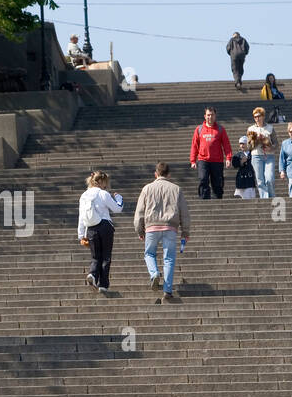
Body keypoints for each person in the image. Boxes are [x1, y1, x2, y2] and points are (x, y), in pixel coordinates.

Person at [133, 162, 190, 305]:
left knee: (149, 253)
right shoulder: (176, 189)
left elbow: (139, 212)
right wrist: (185, 231)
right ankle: (167, 290)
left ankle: (154, 273)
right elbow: (184, 213)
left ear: (156, 174)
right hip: (170, 227)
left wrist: (140, 229)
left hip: (151, 227)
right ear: (169, 175)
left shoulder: (147, 189)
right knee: (169, 258)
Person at [78, 170, 124, 293]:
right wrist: (119, 198)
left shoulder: (84, 196)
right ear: (101, 182)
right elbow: (117, 208)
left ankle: (92, 274)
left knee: (95, 256)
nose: (106, 185)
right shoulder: (103, 194)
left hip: (91, 228)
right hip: (105, 226)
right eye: (105, 183)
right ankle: (103, 284)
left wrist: (81, 235)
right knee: (106, 257)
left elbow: (81, 217)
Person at [189, 106, 232, 199]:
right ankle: (204, 200)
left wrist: (228, 158)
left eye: (212, 115)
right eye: (208, 115)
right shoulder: (199, 129)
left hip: (217, 161)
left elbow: (226, 145)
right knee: (203, 179)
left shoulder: (220, 129)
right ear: (205, 116)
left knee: (217, 183)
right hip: (203, 160)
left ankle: (218, 200)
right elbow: (194, 145)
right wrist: (193, 161)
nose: (210, 117)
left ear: (215, 116)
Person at [248, 106, 277, 199]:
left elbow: (276, 143)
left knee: (269, 178)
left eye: (259, 116)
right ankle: (264, 199)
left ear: (263, 116)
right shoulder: (251, 129)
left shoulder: (270, 128)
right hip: (256, 156)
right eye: (255, 117)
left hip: (269, 156)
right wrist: (255, 140)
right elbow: (249, 147)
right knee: (260, 180)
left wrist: (271, 148)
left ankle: (272, 196)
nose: (257, 119)